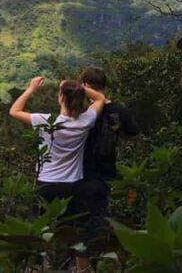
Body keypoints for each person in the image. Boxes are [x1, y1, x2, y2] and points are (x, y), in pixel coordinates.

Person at [8, 75, 106, 227]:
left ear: (61, 98)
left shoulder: (46, 122)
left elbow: (14, 111)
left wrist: (31, 88)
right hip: (72, 185)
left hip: (46, 184)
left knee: (40, 228)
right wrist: (79, 88)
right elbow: (100, 98)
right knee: (68, 229)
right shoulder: (86, 121)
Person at [75, 66, 140, 269]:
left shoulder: (83, 111)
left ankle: (83, 269)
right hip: (107, 176)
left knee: (81, 229)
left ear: (85, 86)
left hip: (81, 176)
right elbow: (134, 134)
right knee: (100, 224)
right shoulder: (118, 111)